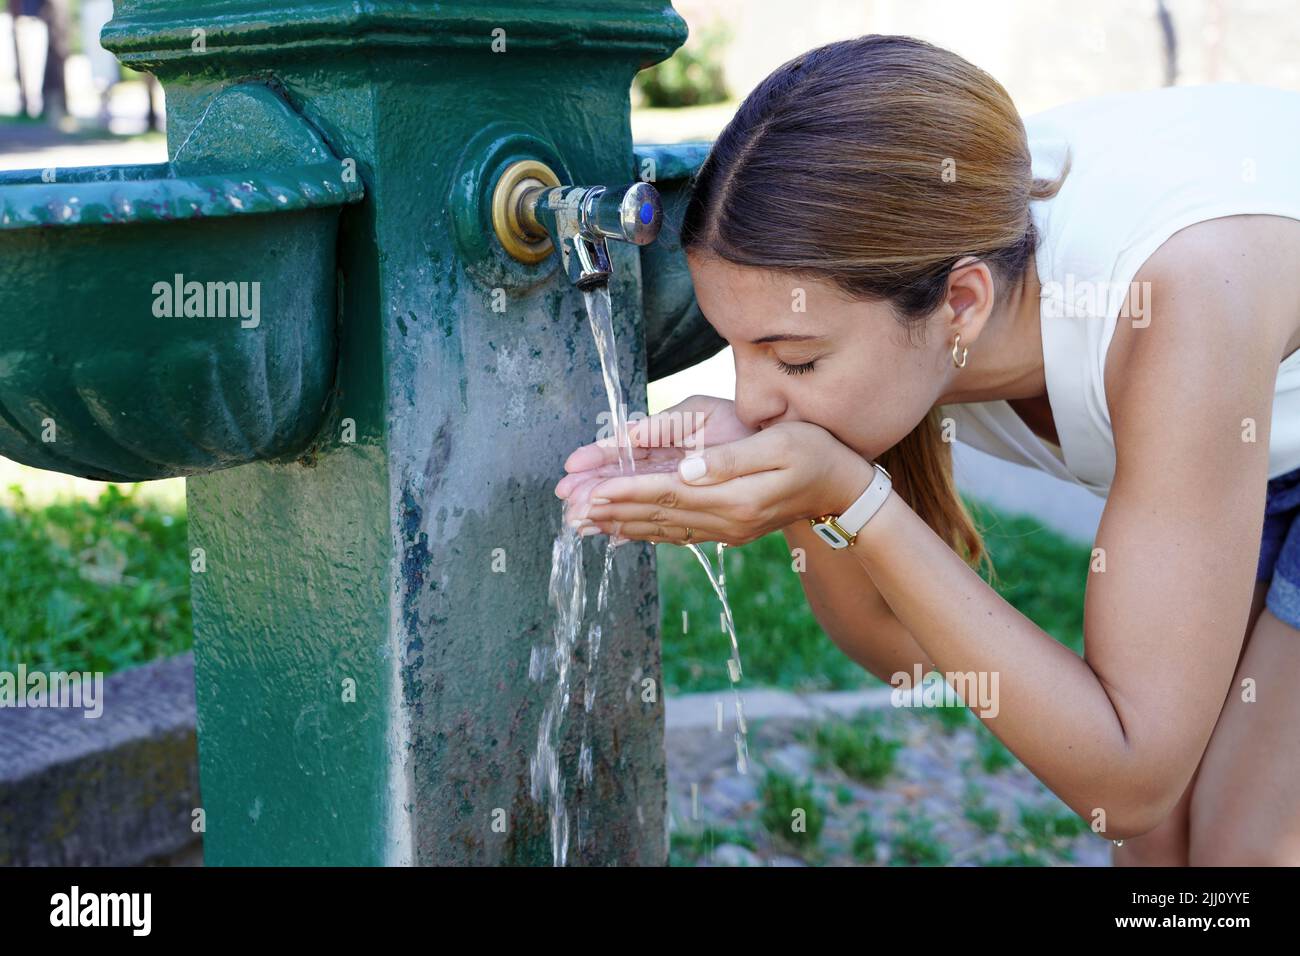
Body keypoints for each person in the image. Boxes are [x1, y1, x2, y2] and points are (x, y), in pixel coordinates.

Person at [554, 33, 1300, 865]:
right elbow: (897, 654)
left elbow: (1124, 781)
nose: (756, 401)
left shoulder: (1174, 300)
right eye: (740, 349)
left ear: (962, 303)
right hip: (1248, 436)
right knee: (1162, 855)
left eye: (796, 358)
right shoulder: (926, 257)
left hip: (1231, 371)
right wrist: (805, 482)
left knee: (1245, 844)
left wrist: (856, 498)